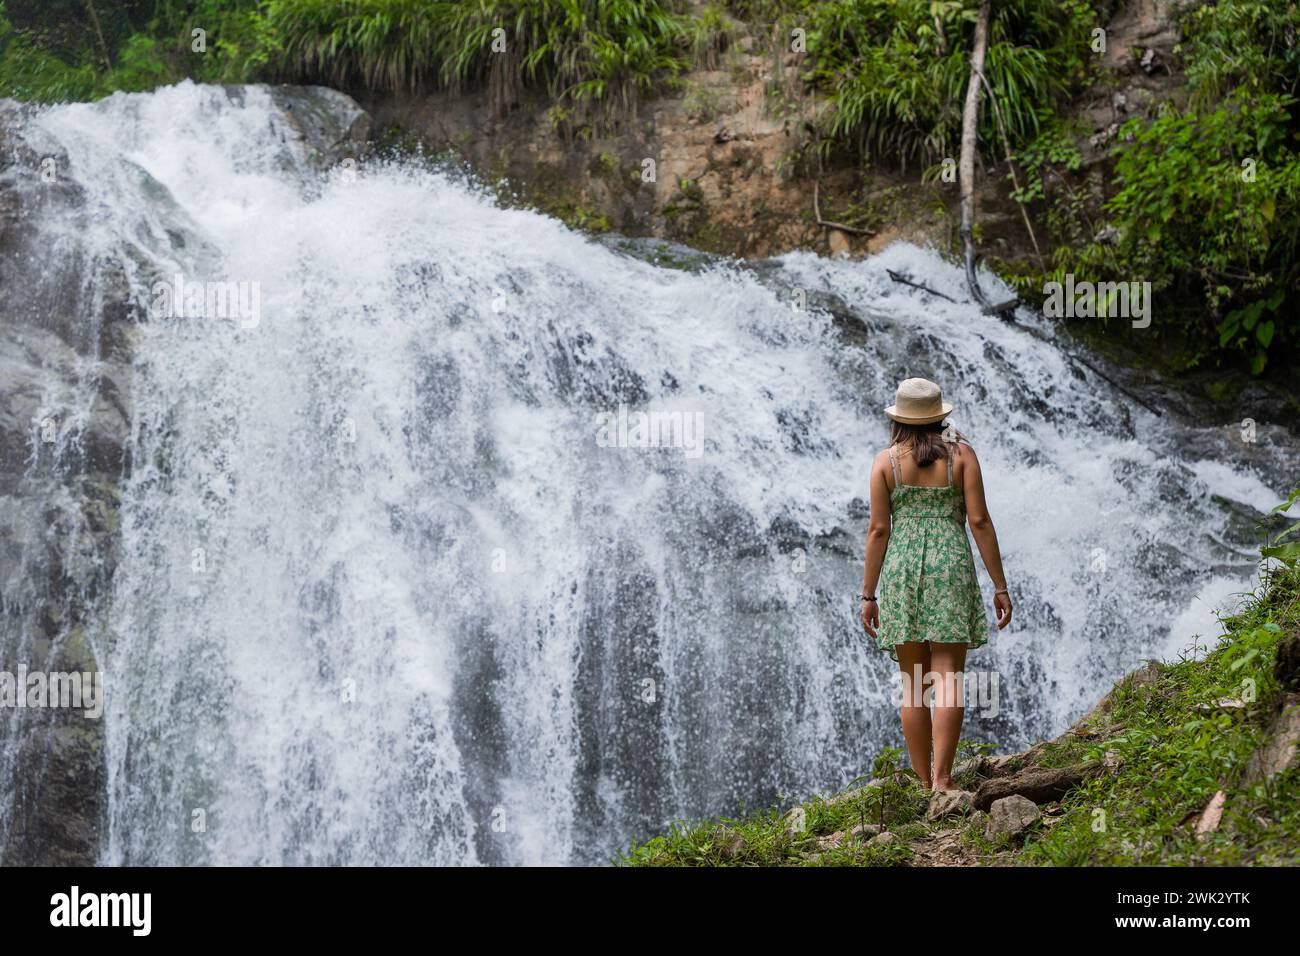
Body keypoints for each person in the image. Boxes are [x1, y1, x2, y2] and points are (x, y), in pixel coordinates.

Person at [859, 377, 1012, 791]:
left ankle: (923, 781)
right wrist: (1000, 585)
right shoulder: (962, 455)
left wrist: (868, 594)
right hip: (950, 565)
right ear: (940, 416)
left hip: (903, 569)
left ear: (899, 419)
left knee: (913, 685)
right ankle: (943, 781)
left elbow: (878, 530)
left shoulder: (885, 462)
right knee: (947, 677)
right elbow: (979, 521)